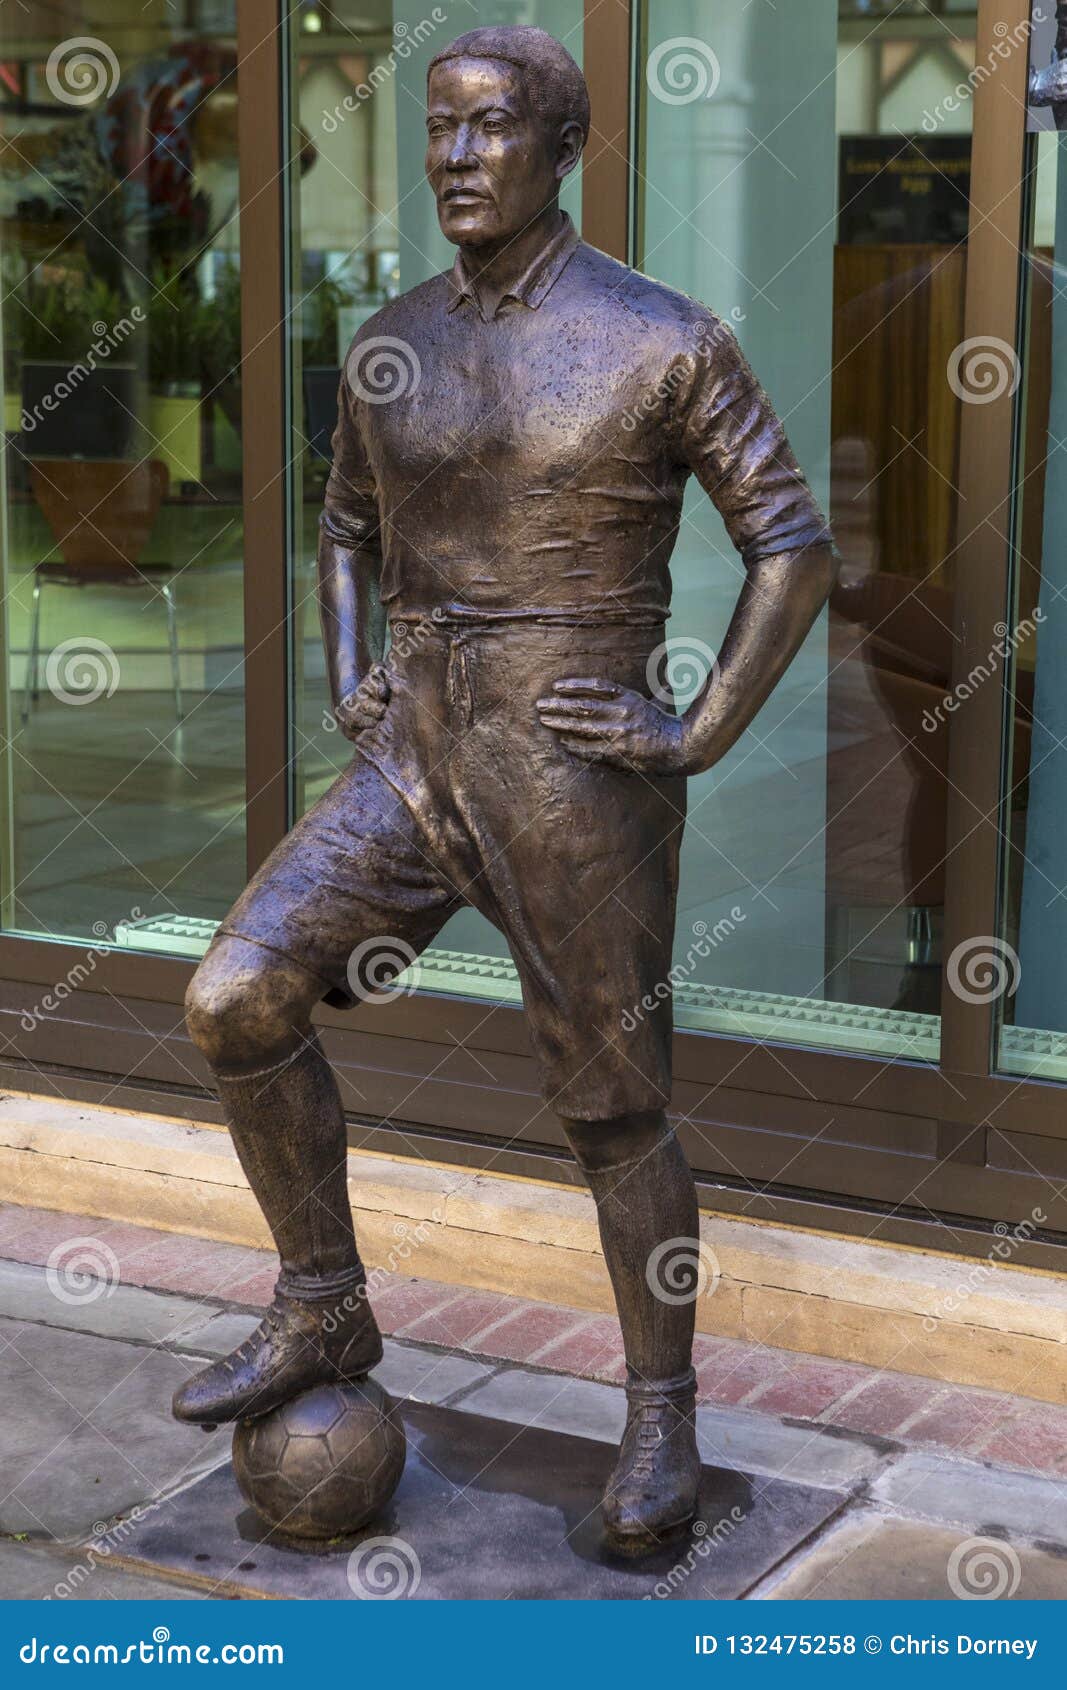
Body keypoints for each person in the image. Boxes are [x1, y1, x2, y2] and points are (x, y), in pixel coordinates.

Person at [174, 24, 835, 1557]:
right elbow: (345, 526)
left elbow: (793, 548)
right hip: (412, 755)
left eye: (493, 127)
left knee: (614, 1107)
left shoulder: (663, 340)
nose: (459, 157)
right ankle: (323, 1300)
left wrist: (698, 730)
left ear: (566, 146)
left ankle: (661, 1411)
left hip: (574, 770)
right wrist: (353, 668)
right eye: (441, 127)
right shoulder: (392, 338)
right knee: (236, 995)